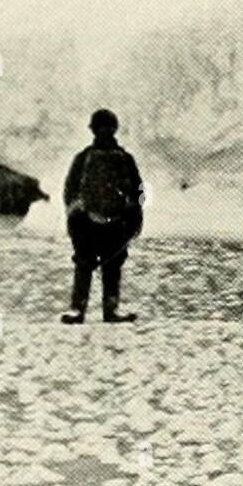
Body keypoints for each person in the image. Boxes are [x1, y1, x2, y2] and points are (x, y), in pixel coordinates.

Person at [60, 109, 143, 324]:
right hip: (96, 222)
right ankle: (93, 309)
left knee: (101, 265)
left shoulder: (92, 158)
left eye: (107, 128)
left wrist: (134, 214)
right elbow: (71, 191)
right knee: (94, 265)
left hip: (106, 222)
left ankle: (93, 310)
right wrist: (75, 216)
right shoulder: (114, 159)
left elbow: (137, 191)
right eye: (101, 128)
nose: (104, 132)